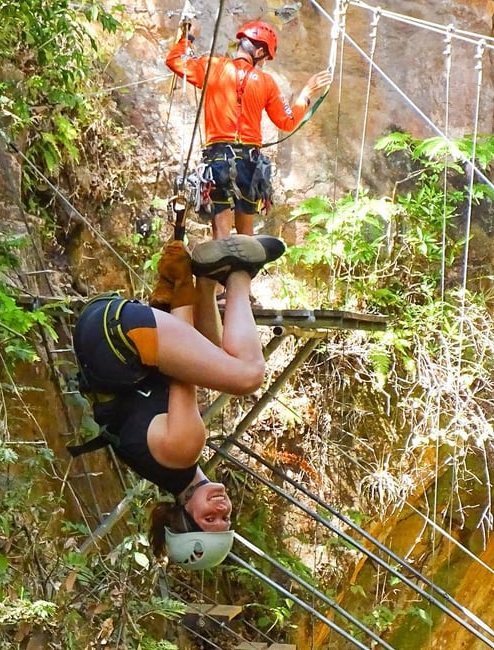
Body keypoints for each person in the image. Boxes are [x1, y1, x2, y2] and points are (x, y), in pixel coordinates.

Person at [70, 234, 286, 569]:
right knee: (221, 357)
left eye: (210, 520)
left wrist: (181, 282)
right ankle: (212, 275)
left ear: (183, 514)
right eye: (226, 522)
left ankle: (239, 274)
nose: (222, 511)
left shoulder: (183, 451)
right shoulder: (161, 468)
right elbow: (188, 357)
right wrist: (182, 284)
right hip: (103, 334)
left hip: (116, 338)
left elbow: (183, 372)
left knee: (248, 376)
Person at [166, 19, 333, 240]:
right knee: (246, 233)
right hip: (249, 162)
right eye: (265, 57)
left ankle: (220, 265)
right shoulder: (266, 82)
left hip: (218, 158)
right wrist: (306, 93)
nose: (264, 62)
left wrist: (190, 36)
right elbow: (288, 121)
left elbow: (175, 60)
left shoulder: (213, 67)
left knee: (221, 233)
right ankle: (245, 269)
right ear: (260, 51)